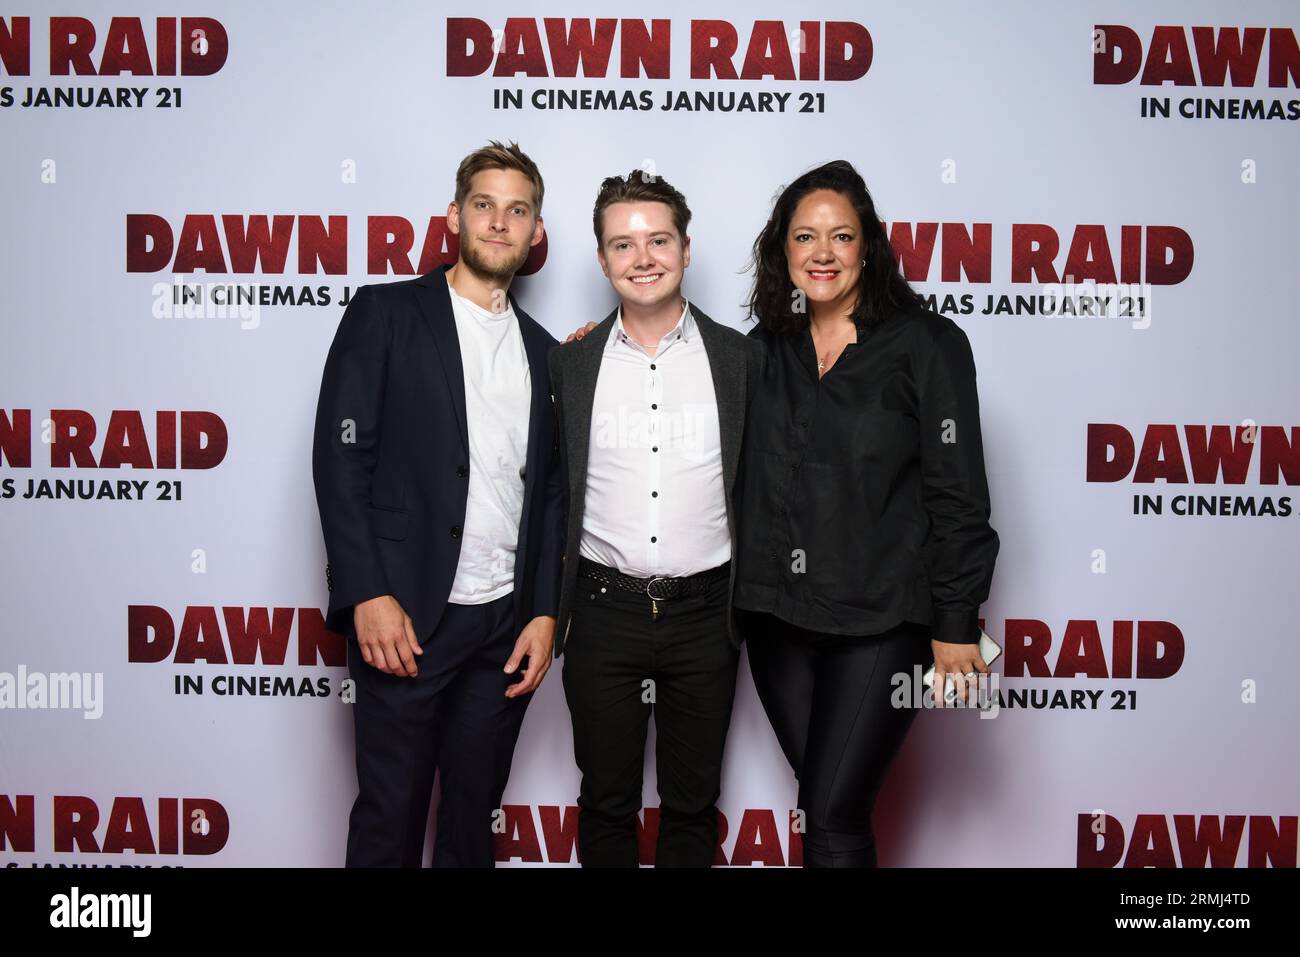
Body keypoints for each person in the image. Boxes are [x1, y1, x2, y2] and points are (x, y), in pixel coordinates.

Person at [733, 159, 1000, 866]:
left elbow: (959, 493)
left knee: (833, 814)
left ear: (868, 246)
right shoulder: (761, 352)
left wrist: (956, 621)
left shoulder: (928, 346)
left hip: (882, 621)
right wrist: (590, 350)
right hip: (775, 618)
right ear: (781, 250)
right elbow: (666, 370)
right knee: (828, 807)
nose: (822, 253)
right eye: (804, 236)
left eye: (841, 236)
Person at [311, 141, 564, 867]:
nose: (498, 222)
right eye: (483, 205)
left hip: (501, 628)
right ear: (455, 215)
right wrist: (366, 592)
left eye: (517, 211)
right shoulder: (387, 313)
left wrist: (545, 611)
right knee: (390, 820)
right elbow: (340, 456)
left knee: (470, 830)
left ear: (535, 232)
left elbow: (548, 494)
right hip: (407, 617)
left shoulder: (547, 355)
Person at [549, 170, 762, 866]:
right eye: (622, 244)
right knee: (606, 804)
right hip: (601, 609)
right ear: (603, 259)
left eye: (658, 240)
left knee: (692, 807)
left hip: (707, 614)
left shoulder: (741, 359)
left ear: (687, 248)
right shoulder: (569, 362)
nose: (642, 258)